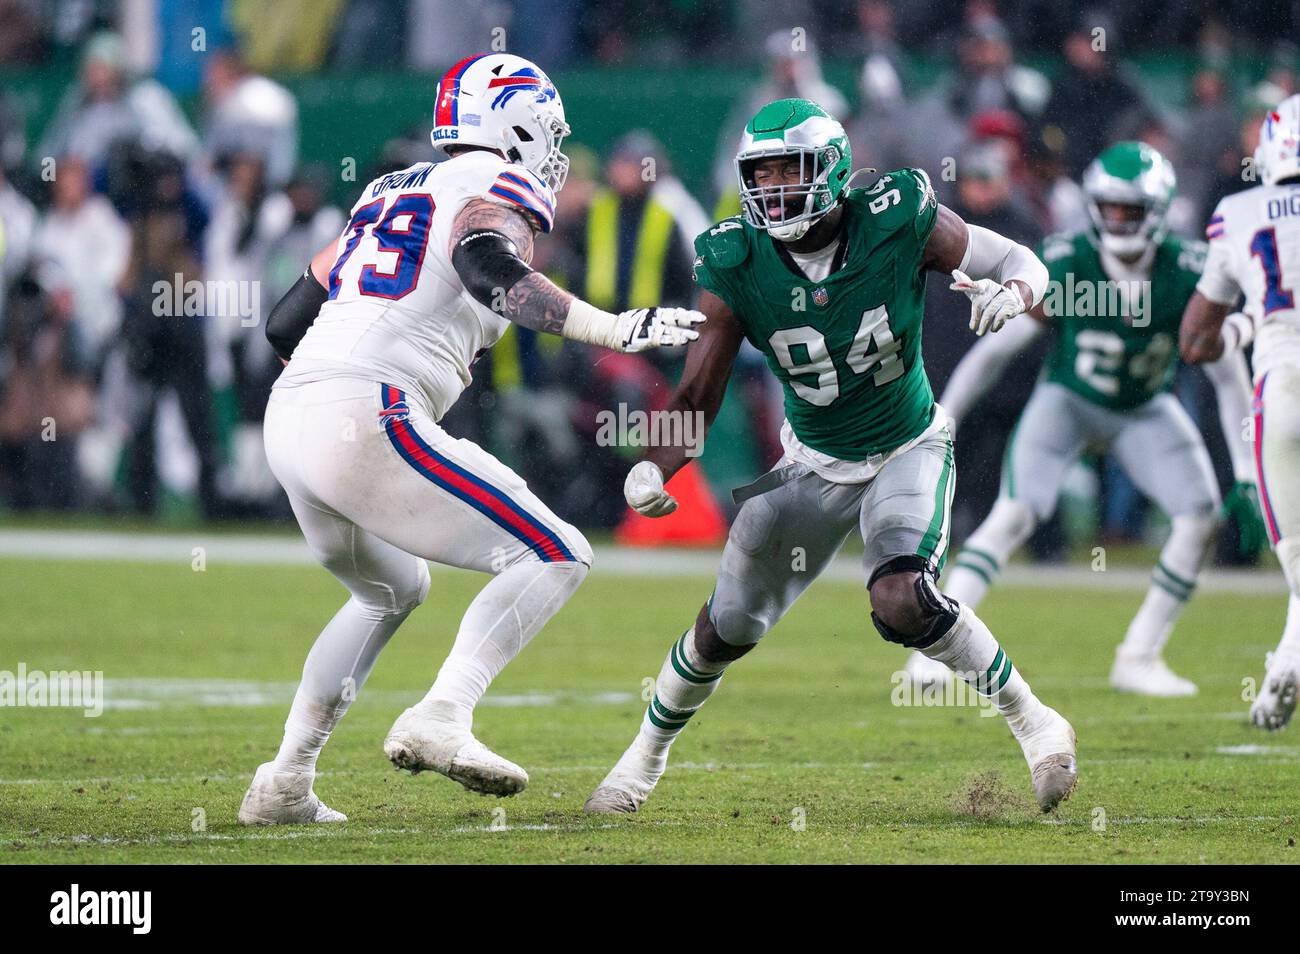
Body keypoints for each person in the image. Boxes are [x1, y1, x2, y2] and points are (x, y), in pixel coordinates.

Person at [238, 53, 705, 825]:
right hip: (368, 407)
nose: (552, 153)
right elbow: (487, 268)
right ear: (513, 124)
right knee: (558, 551)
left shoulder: (389, 189)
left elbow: (285, 321)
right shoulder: (495, 184)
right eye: (546, 132)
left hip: (293, 411)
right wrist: (615, 327)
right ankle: (442, 714)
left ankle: (285, 780)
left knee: (393, 587)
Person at [584, 98, 1076, 817]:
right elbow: (697, 390)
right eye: (763, 172)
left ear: (836, 170)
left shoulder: (896, 214)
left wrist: (1018, 290)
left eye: (792, 169)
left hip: (905, 444)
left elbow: (1017, 257)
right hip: (811, 462)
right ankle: (643, 760)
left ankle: (1034, 720)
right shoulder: (738, 258)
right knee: (722, 629)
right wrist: (654, 466)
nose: (776, 186)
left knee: (901, 599)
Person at [920, 142, 1261, 697]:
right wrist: (948, 416)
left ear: (1157, 211)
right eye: (1111, 207)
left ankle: (1139, 656)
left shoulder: (1187, 269)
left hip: (1144, 407)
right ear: (1094, 206)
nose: (1120, 219)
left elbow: (1225, 373)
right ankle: (937, 650)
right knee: (1015, 515)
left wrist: (1245, 471)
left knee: (1200, 519)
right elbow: (996, 352)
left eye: (1132, 209)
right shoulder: (1068, 260)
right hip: (1069, 402)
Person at [1181, 96, 1300, 730]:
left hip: (1280, 390)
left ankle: (1285, 664)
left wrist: (1251, 321)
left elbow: (1195, 341)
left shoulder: (1239, 212)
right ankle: (1286, 661)